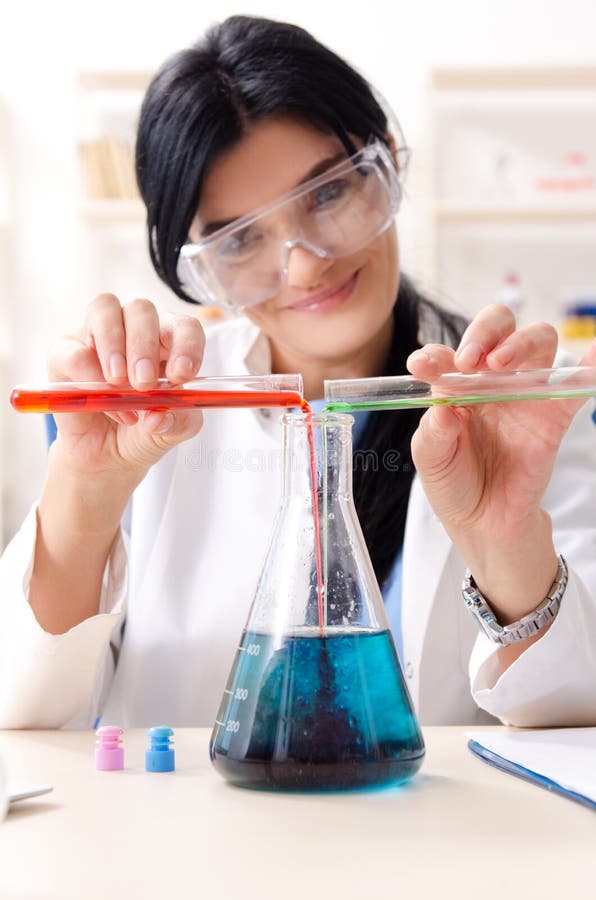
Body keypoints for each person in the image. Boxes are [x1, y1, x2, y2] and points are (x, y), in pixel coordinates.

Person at [1, 15, 595, 730]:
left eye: (328, 193)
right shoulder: (150, 410)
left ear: (388, 164)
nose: (307, 265)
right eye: (240, 239)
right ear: (198, 271)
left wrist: (506, 549)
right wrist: (85, 495)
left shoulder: (517, 400)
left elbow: (578, 714)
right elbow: (23, 718)